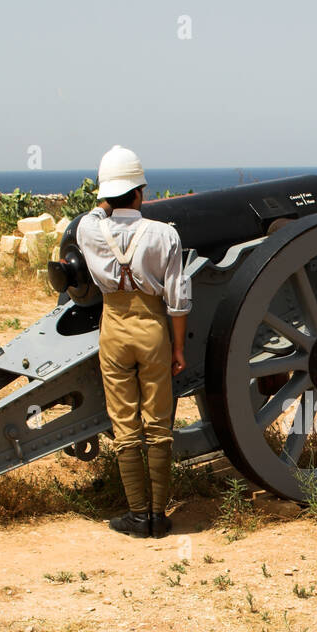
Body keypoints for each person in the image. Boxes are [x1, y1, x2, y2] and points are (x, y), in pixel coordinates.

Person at [76, 146, 189, 538]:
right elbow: (177, 300)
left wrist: (106, 202)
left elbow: (93, 213)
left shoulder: (89, 229)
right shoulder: (164, 235)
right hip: (153, 326)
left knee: (125, 424)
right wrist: (177, 349)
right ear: (140, 193)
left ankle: (137, 516)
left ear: (107, 195)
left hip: (114, 327)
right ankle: (159, 517)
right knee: (158, 422)